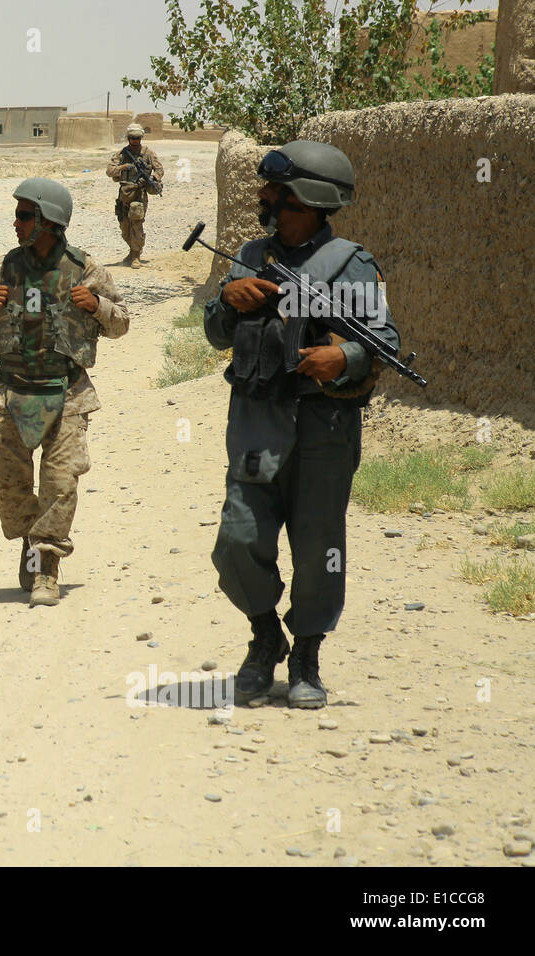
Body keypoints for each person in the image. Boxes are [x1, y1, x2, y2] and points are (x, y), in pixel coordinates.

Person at [203, 141, 400, 708]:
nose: (264, 198)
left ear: (308, 200)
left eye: (277, 191)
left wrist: (343, 359)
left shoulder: (350, 263)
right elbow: (216, 333)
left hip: (323, 433)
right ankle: (265, 636)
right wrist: (228, 299)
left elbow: (385, 343)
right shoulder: (250, 254)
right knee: (238, 540)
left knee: (318, 549)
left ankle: (307, 652)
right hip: (256, 425)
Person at [0, 178, 130, 606]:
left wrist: (97, 306)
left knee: (60, 480)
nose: (16, 223)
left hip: (66, 392)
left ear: (49, 222)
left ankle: (46, 564)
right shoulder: (2, 268)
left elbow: (122, 323)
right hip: (10, 389)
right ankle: (30, 536)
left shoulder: (86, 270)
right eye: (18, 215)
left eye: (24, 215)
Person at [106, 123, 164, 267]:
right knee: (124, 226)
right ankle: (132, 252)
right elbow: (109, 171)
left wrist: (153, 179)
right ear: (128, 138)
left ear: (141, 138)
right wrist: (123, 167)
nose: (135, 141)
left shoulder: (148, 153)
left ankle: (136, 255)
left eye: (137, 138)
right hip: (125, 193)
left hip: (139, 193)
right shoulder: (122, 154)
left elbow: (159, 169)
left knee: (136, 224)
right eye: (132, 138)